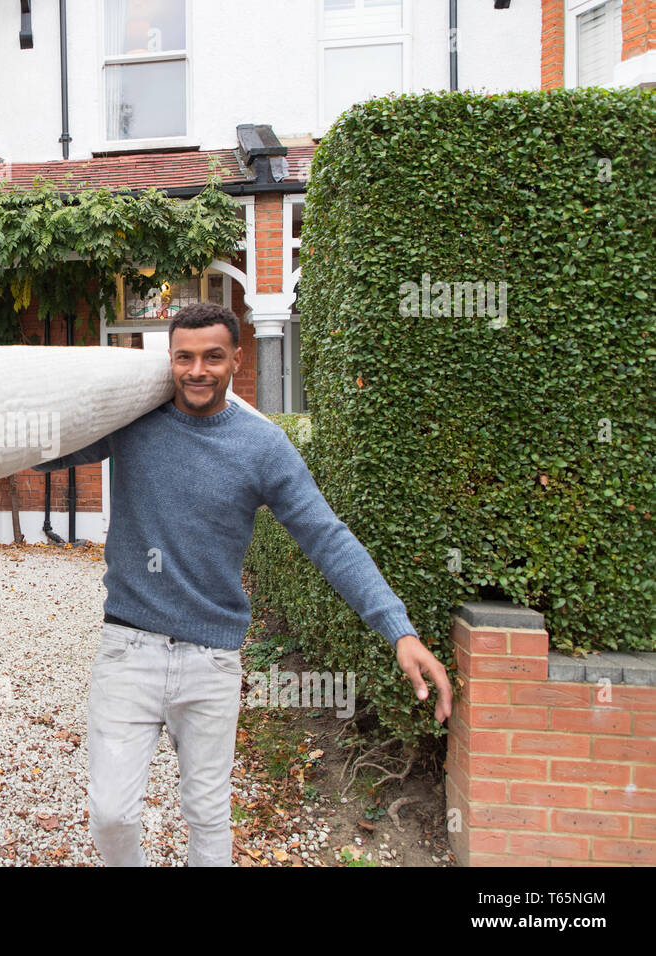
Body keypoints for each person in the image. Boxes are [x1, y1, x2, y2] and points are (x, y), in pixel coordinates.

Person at [32, 301, 453, 867]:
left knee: (207, 815)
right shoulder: (133, 425)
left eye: (212, 357)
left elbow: (327, 538)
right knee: (111, 814)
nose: (197, 371)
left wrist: (398, 630)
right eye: (184, 357)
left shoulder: (262, 446)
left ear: (236, 359)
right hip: (128, 649)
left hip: (211, 660)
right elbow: (42, 456)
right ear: (169, 360)